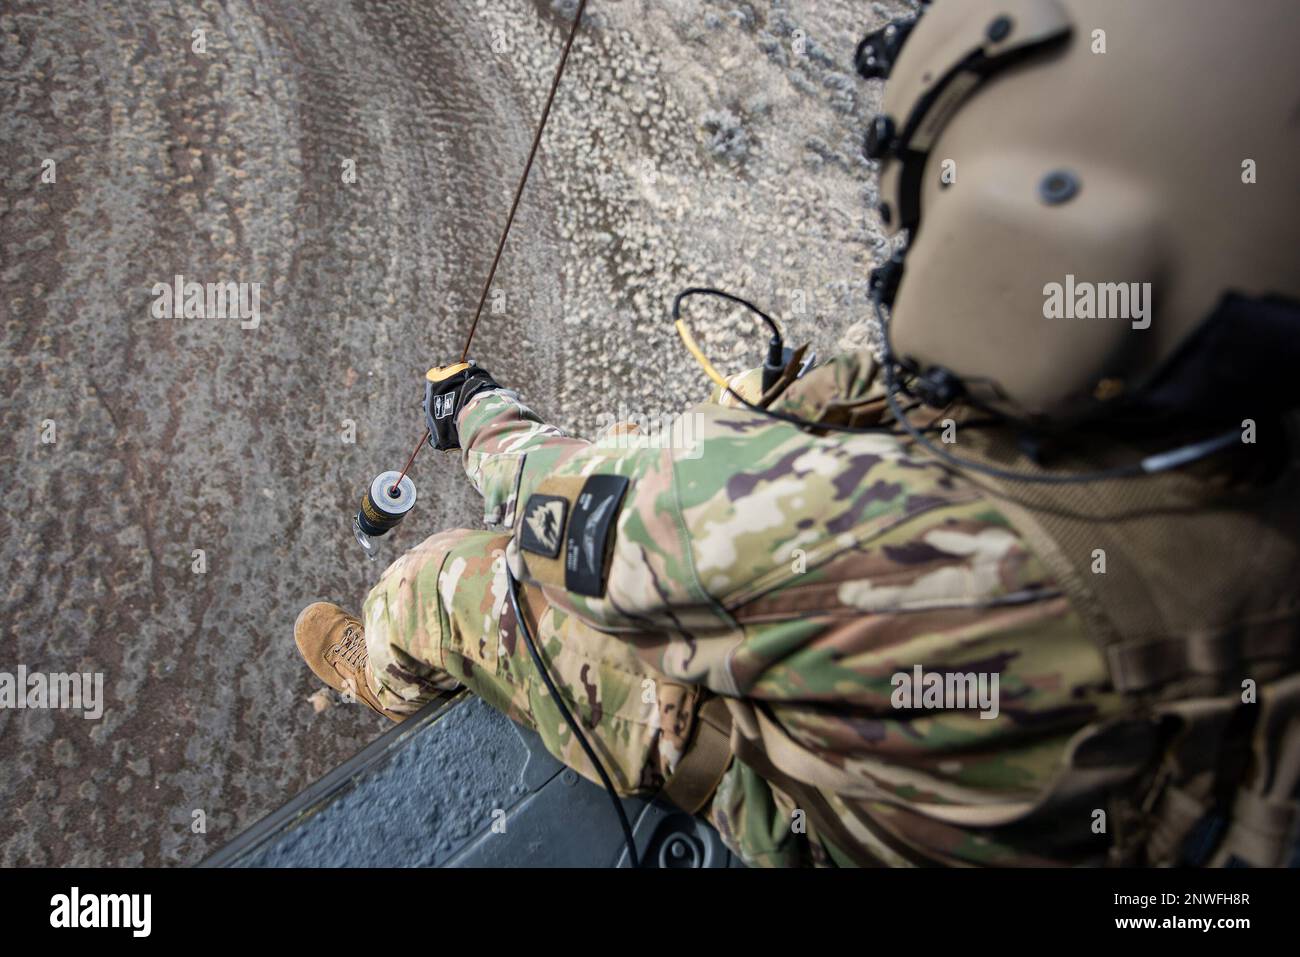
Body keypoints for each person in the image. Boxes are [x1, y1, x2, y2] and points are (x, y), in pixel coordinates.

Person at [295, 0, 1300, 866]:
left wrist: (475, 411)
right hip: (1142, 807)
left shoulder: (868, 537)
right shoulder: (1241, 442)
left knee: (449, 582)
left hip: (820, 824)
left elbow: (568, 509)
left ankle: (378, 674)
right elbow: (883, 389)